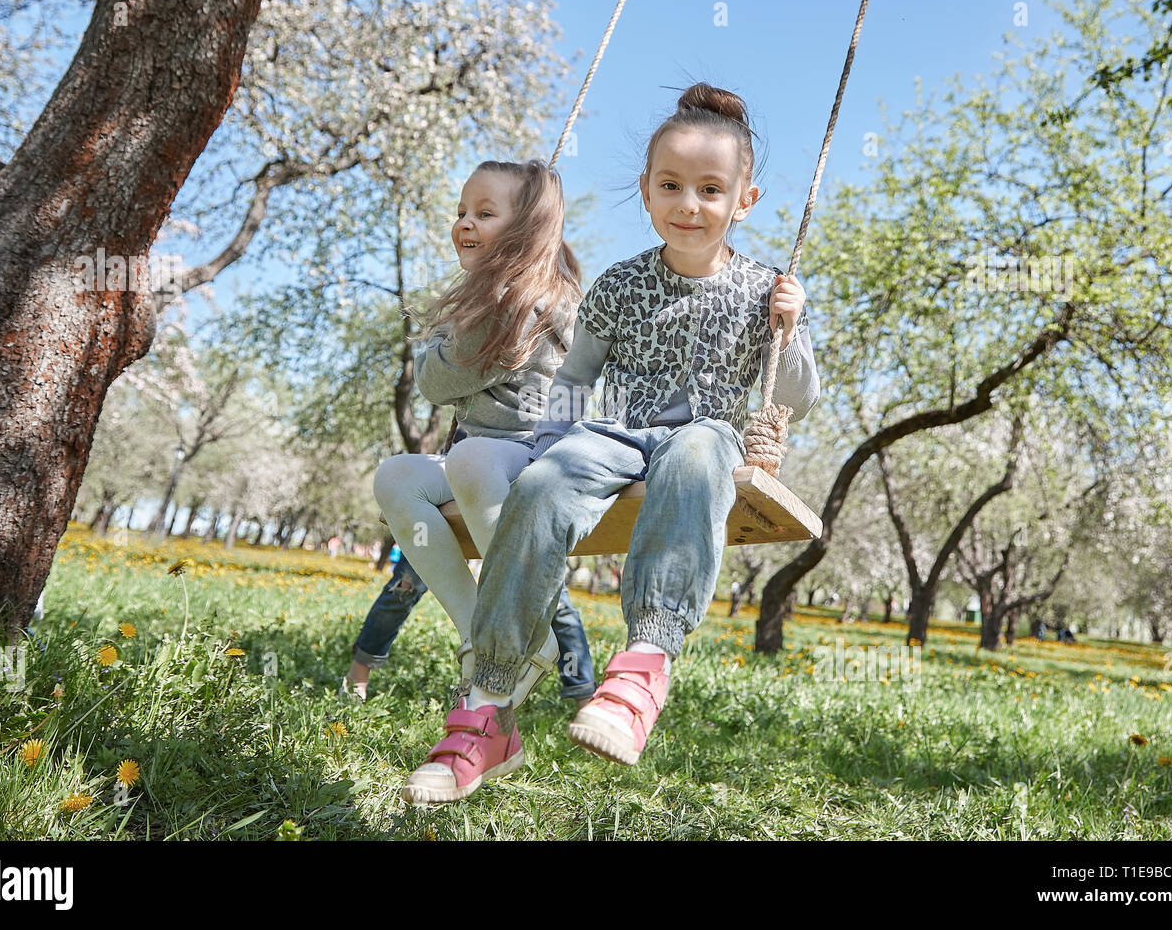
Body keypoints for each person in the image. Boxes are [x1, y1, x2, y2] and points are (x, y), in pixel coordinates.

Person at [402, 83, 820, 804]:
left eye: (710, 190)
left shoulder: (763, 290)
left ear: (743, 201)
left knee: (692, 454)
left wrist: (796, 325)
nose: (689, 204)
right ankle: (487, 708)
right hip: (614, 431)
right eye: (672, 186)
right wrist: (547, 448)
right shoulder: (621, 284)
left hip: (706, 435)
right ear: (647, 192)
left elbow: (795, 397)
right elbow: (575, 377)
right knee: (540, 485)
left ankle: (641, 667)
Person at [369, 159, 593, 720]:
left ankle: (523, 627)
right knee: (396, 475)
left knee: (467, 456)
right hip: (482, 458)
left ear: (526, 230)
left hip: (533, 456)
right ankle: (481, 637)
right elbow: (439, 380)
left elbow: (438, 379)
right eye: (461, 211)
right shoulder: (488, 295)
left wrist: (438, 342)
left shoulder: (527, 302)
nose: (465, 223)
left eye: (485, 213)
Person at [342, 552, 594, 703]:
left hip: (514, 494)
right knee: (406, 585)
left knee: (556, 602)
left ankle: (585, 700)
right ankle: (359, 671)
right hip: (449, 496)